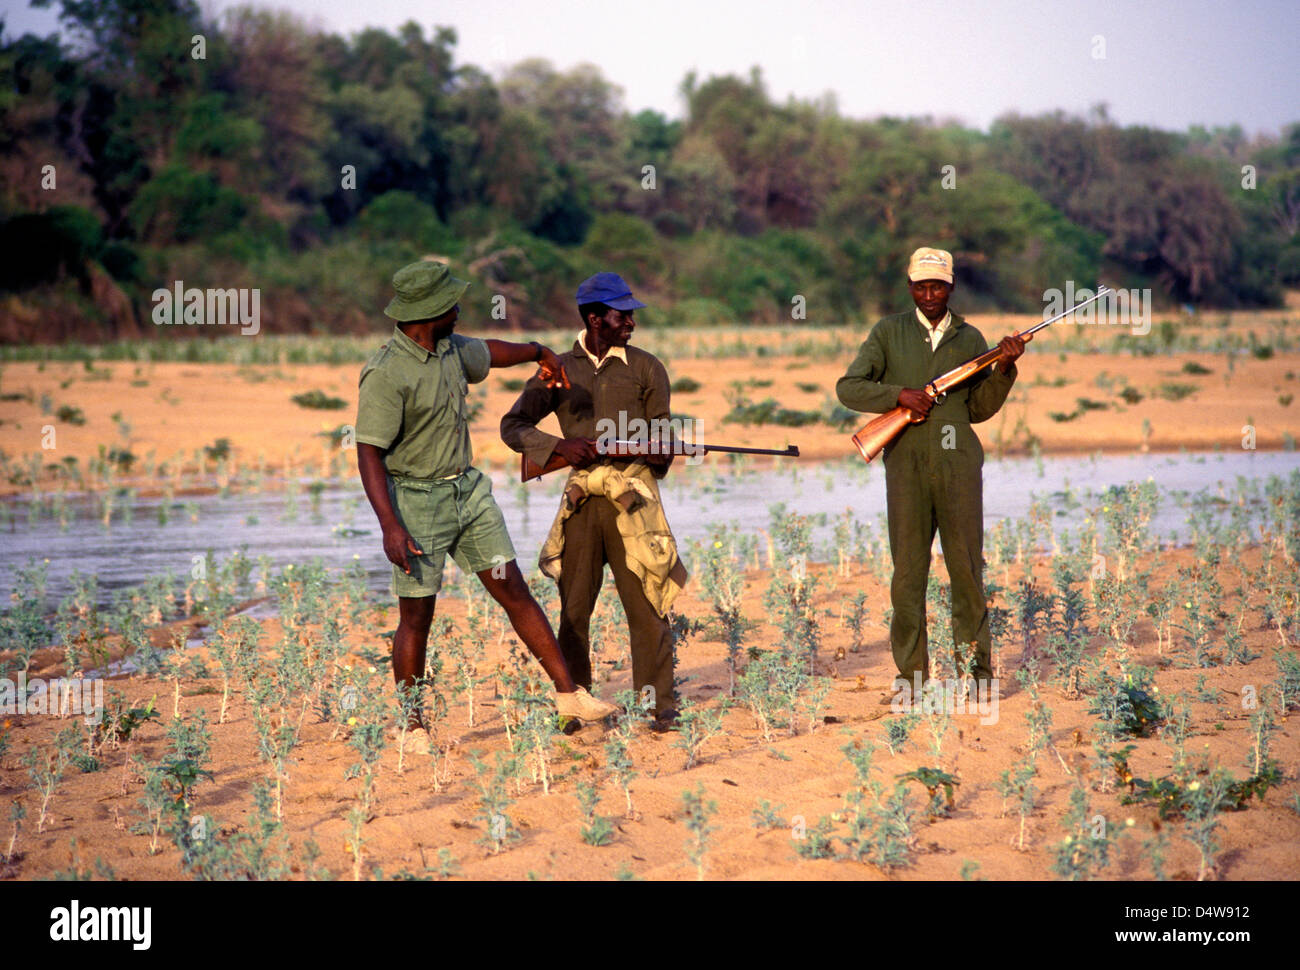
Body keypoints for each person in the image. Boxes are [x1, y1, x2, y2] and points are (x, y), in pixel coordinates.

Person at [355, 260, 619, 752]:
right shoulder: (386, 373)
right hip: (415, 504)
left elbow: (491, 353)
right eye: (452, 304)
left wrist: (538, 351)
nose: (459, 311)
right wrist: (390, 525)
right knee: (417, 616)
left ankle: (569, 696)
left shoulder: (451, 349)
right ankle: (412, 728)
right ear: (431, 312)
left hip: (469, 495)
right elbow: (367, 451)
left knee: (513, 588)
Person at [835, 247, 1027, 699]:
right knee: (907, 575)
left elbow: (978, 409)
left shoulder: (970, 337)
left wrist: (1004, 366)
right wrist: (900, 397)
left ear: (951, 287)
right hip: (905, 464)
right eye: (920, 286)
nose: (928, 294)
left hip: (959, 465)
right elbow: (849, 387)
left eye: (937, 285)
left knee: (966, 571)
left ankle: (978, 681)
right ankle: (913, 682)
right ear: (909, 287)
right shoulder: (888, 332)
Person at [501, 272, 687, 732]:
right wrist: (561, 449)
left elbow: (661, 430)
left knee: (647, 603)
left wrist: (663, 446)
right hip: (583, 500)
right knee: (574, 608)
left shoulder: (647, 367)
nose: (632, 323)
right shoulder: (558, 370)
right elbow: (514, 425)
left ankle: (658, 708)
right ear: (594, 318)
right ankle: (573, 704)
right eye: (623, 315)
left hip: (635, 499)